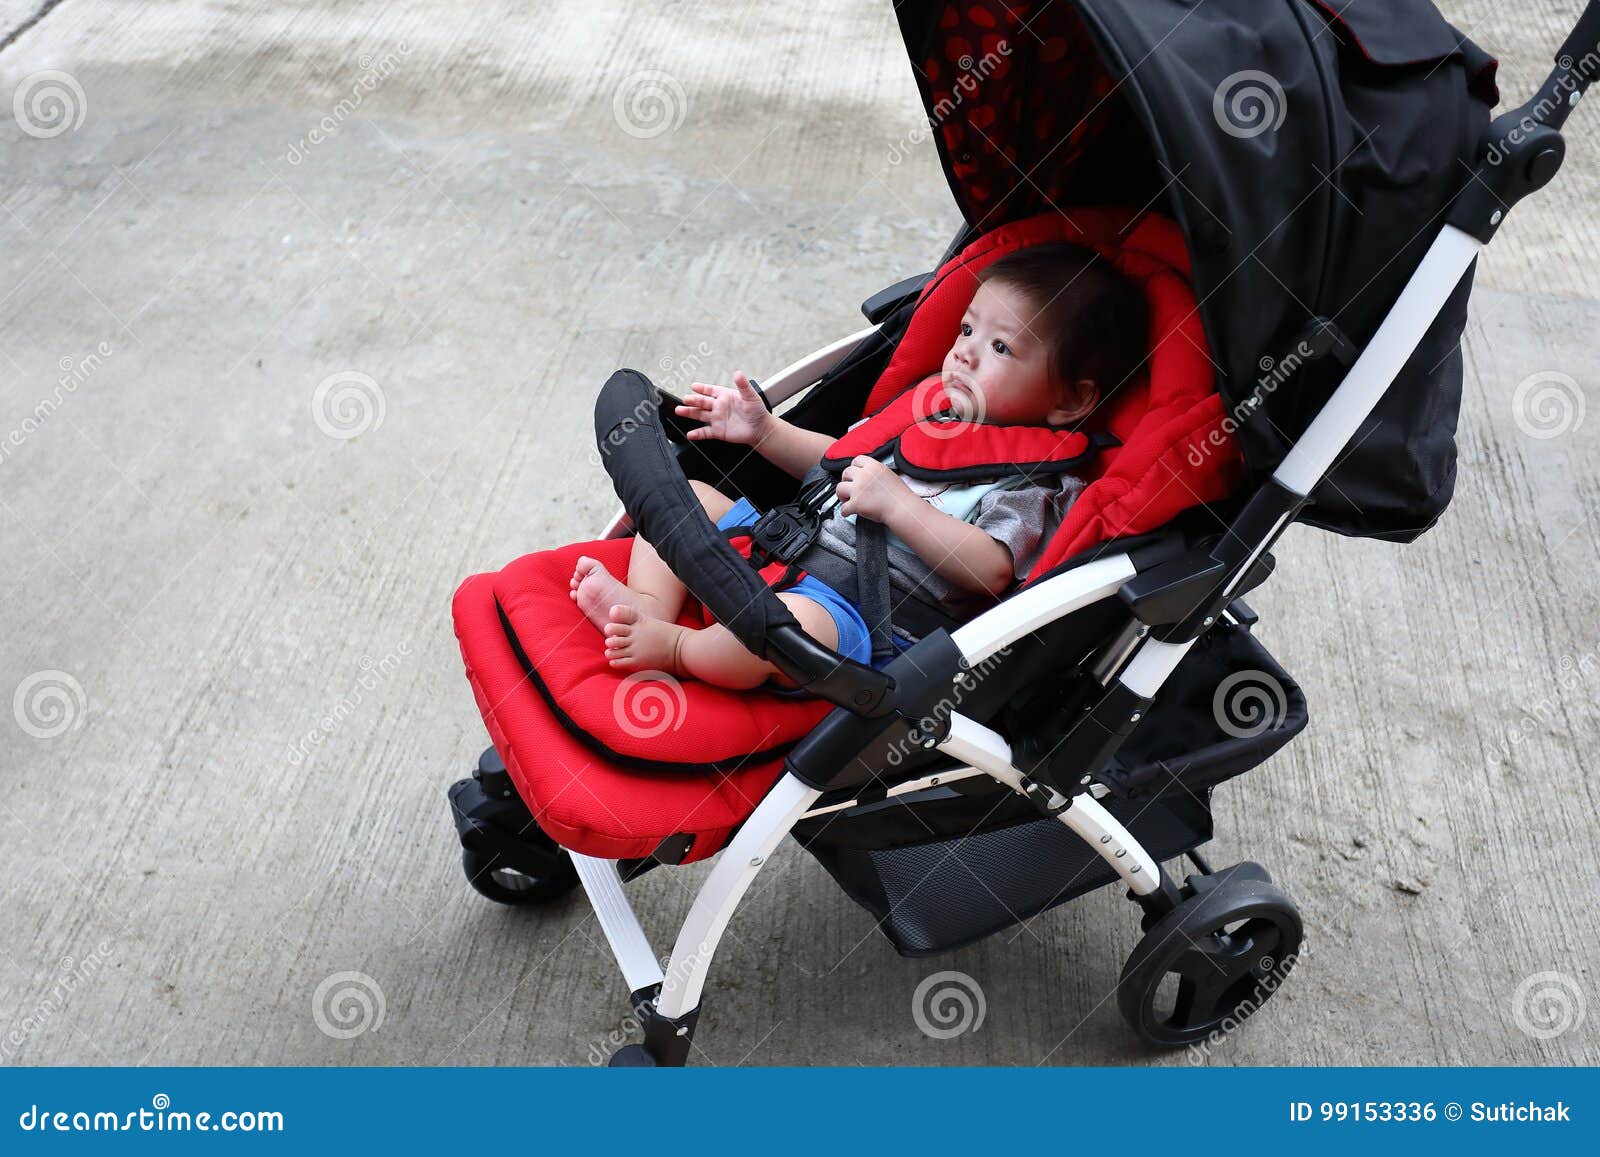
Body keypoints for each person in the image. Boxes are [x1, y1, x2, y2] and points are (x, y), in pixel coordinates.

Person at [569, 242, 1148, 690]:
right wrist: (765, 431)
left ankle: (676, 649)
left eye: (1002, 347)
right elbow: (835, 463)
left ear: (1069, 401)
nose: (965, 351)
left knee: (783, 632)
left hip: (856, 617)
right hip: (780, 548)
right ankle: (648, 603)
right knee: (687, 496)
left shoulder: (1034, 483)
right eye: (968, 329)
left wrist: (899, 506)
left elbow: (992, 570)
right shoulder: (928, 417)